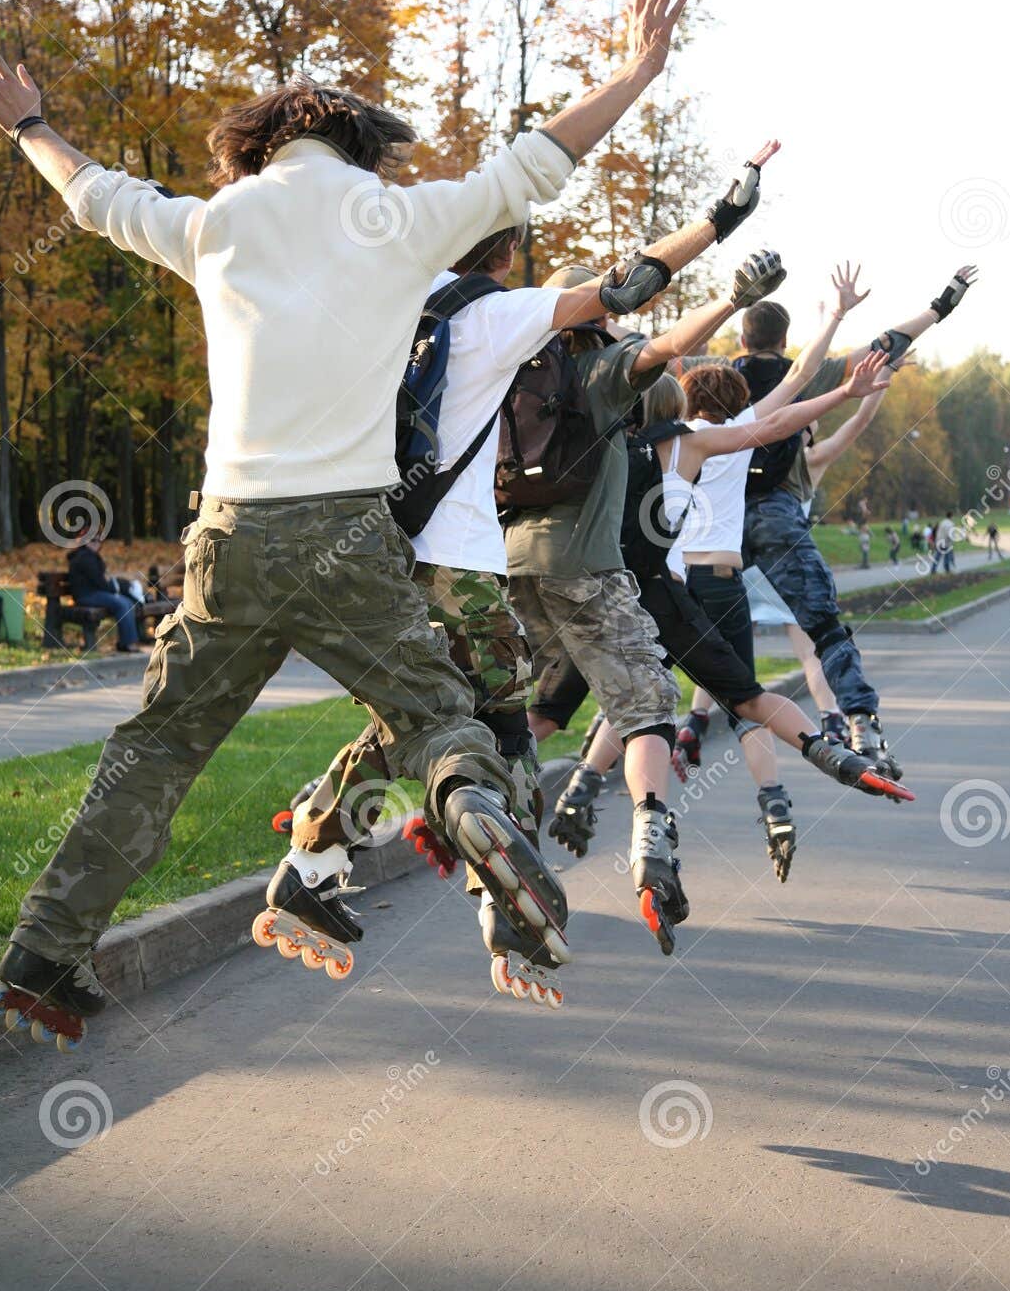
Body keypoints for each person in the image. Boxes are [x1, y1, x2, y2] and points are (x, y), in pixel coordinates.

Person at [0, 0, 690, 1029]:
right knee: (436, 716)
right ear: (363, 148)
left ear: (255, 148)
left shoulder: (214, 224)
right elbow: (536, 162)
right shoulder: (400, 220)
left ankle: (43, 955)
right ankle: (470, 813)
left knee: (157, 746)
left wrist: (29, 121)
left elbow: (90, 197)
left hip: (231, 533)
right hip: (348, 540)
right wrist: (639, 68)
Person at [273, 144, 775, 1004]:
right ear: (505, 255)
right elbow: (644, 317)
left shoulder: (404, 304)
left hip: (383, 541)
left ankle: (325, 860)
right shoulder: (519, 328)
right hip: (469, 561)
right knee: (502, 722)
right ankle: (484, 900)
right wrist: (725, 245)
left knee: (431, 717)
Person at [541, 272, 913, 887]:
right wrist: (841, 359)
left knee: (638, 696)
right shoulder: (720, 443)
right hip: (714, 584)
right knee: (744, 701)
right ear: (734, 401)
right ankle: (777, 802)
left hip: (644, 586)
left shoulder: (630, 442)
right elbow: (792, 390)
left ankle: (582, 783)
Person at [505, 252, 789, 952]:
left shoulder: (516, 369)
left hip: (511, 565)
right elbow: (759, 415)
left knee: (533, 709)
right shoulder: (624, 400)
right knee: (655, 706)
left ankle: (495, 807)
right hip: (631, 580)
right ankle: (662, 831)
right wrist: (733, 297)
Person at [736, 264, 978, 780]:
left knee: (680, 630)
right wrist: (940, 305)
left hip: (712, 525)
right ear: (784, 342)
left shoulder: (711, 377)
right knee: (824, 627)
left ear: (741, 336)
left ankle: (644, 740)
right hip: (775, 514)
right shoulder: (802, 374)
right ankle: (861, 721)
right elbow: (882, 345)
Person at [66, 527, 142, 653]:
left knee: (126, 602)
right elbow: (100, 582)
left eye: (98, 541)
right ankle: (128, 643)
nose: (96, 544)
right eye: (92, 540)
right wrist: (117, 588)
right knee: (122, 603)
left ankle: (125, 642)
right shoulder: (85, 558)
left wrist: (116, 588)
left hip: (94, 593)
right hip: (86, 595)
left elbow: (101, 581)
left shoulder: (91, 556)